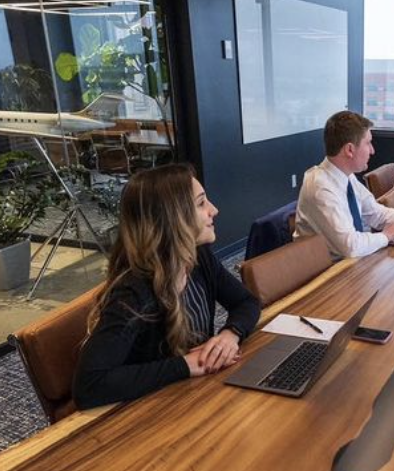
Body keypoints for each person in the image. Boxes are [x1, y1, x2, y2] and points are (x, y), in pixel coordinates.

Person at [74, 164, 261, 407]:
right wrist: (184, 365)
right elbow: (89, 385)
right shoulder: (133, 292)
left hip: (195, 394)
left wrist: (230, 334)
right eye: (201, 203)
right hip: (155, 410)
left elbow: (246, 302)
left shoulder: (198, 257)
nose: (214, 210)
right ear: (173, 218)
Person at [295, 110, 394, 260]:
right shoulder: (321, 187)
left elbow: (377, 214)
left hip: (350, 264)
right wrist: (385, 236)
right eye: (368, 143)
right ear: (350, 150)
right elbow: (350, 246)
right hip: (327, 275)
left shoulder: (346, 177)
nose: (372, 151)